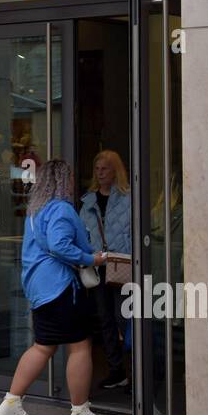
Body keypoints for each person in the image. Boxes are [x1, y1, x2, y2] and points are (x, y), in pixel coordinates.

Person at [0, 159, 116, 415]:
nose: (73, 182)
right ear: (63, 180)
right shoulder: (60, 209)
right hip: (60, 288)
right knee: (80, 346)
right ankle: (80, 411)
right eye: (70, 177)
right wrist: (90, 259)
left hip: (40, 288)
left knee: (43, 345)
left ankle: (12, 402)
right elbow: (59, 244)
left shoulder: (36, 211)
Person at [80, 150, 133, 390]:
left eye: (105, 169)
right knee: (105, 320)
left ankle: (137, 372)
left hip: (121, 265)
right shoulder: (88, 201)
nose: (100, 173)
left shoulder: (128, 198)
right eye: (97, 169)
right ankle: (116, 370)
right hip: (98, 267)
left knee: (126, 320)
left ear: (116, 171)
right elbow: (82, 233)